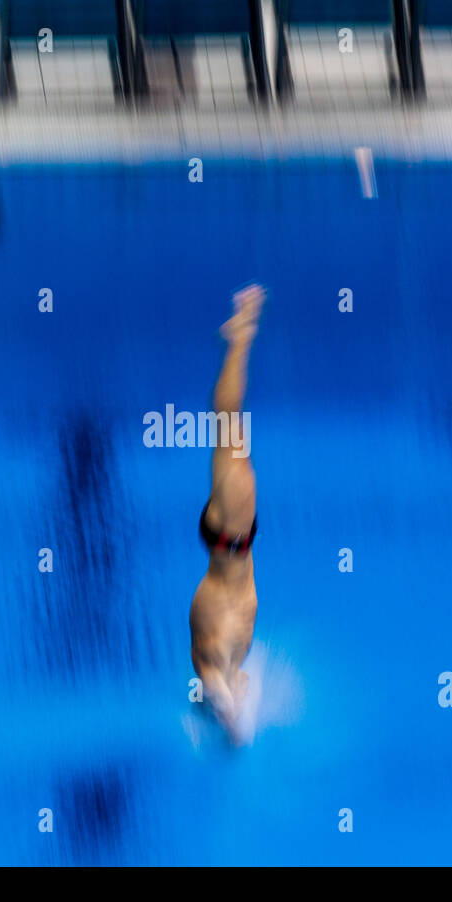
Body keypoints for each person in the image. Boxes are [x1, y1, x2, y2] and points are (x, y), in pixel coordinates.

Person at [189, 284, 264, 745]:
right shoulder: (224, 644)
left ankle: (240, 335)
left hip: (231, 562)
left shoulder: (227, 646)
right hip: (230, 550)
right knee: (226, 419)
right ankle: (241, 335)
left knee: (227, 421)